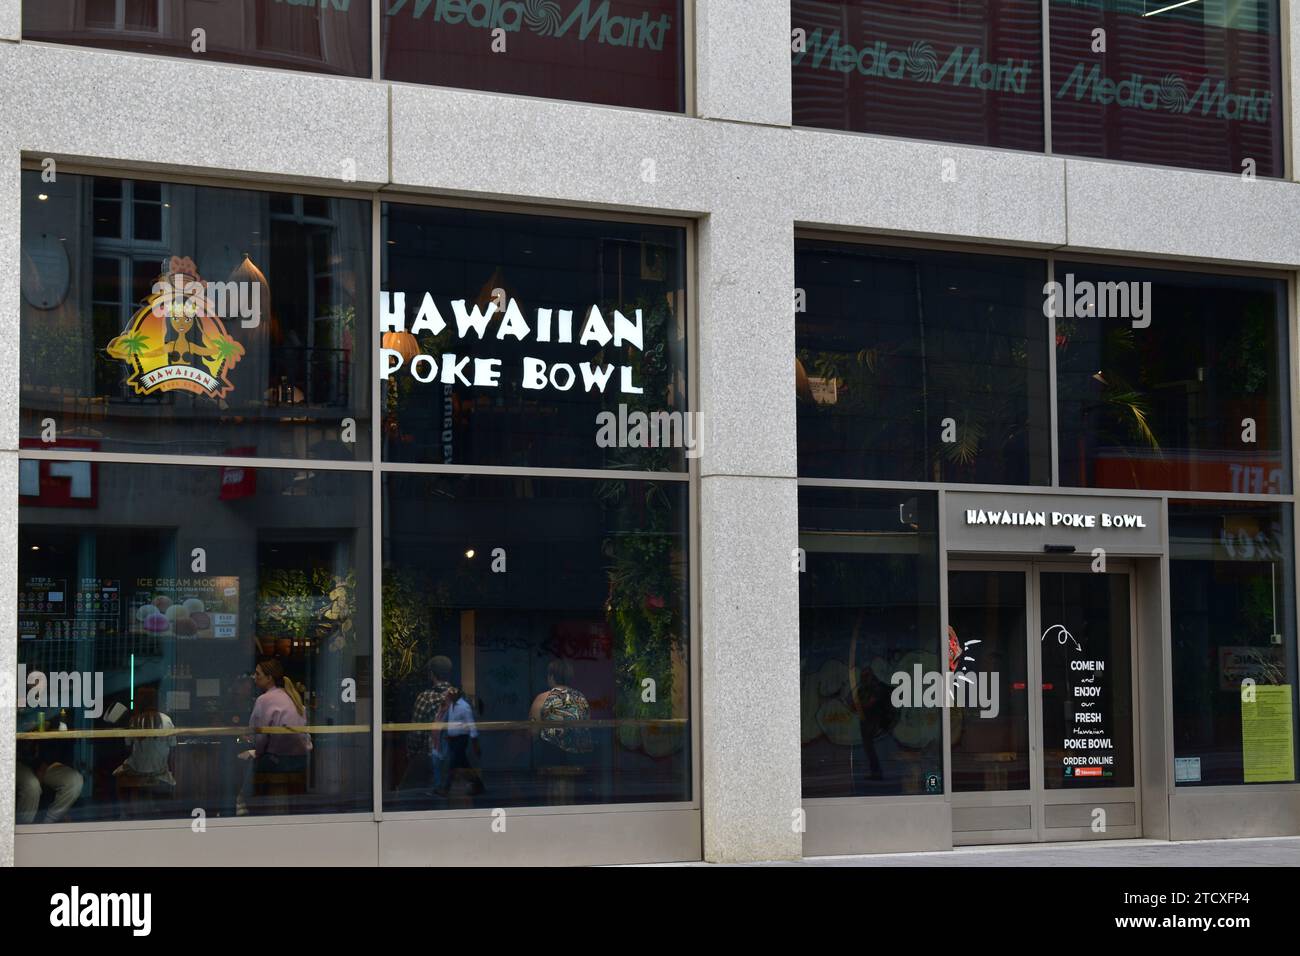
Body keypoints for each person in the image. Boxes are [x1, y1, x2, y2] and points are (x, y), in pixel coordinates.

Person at [239, 658, 312, 776]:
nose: (254, 677)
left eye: (258, 674)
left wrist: (253, 750)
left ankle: (243, 794)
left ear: (269, 678)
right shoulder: (292, 697)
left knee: (244, 762)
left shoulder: (264, 700)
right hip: (302, 760)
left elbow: (259, 738)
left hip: (279, 761)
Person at [113, 686, 177, 808]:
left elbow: (128, 748)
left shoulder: (134, 721)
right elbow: (173, 746)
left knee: (116, 774)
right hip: (159, 769)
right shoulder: (167, 720)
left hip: (137, 769)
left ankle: (124, 812)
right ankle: (154, 805)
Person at [16, 708, 83, 824]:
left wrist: (45, 763)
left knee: (74, 781)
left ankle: (48, 825)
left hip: (48, 763)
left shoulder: (55, 704)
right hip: (16, 761)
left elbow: (64, 740)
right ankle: (23, 829)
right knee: (31, 785)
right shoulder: (14, 696)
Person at [400, 656, 454, 793]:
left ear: (431, 674)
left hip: (430, 755)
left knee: (407, 795)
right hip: (453, 756)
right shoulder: (461, 696)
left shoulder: (426, 697)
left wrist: (412, 754)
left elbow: (416, 732)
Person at [436, 685, 484, 798]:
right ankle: (478, 784)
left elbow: (471, 726)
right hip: (453, 740)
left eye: (451, 692)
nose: (449, 694)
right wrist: (449, 734)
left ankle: (446, 788)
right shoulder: (452, 705)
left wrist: (475, 744)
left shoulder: (464, 707)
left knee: (452, 764)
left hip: (461, 740)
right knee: (464, 764)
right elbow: (453, 722)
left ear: (457, 693)